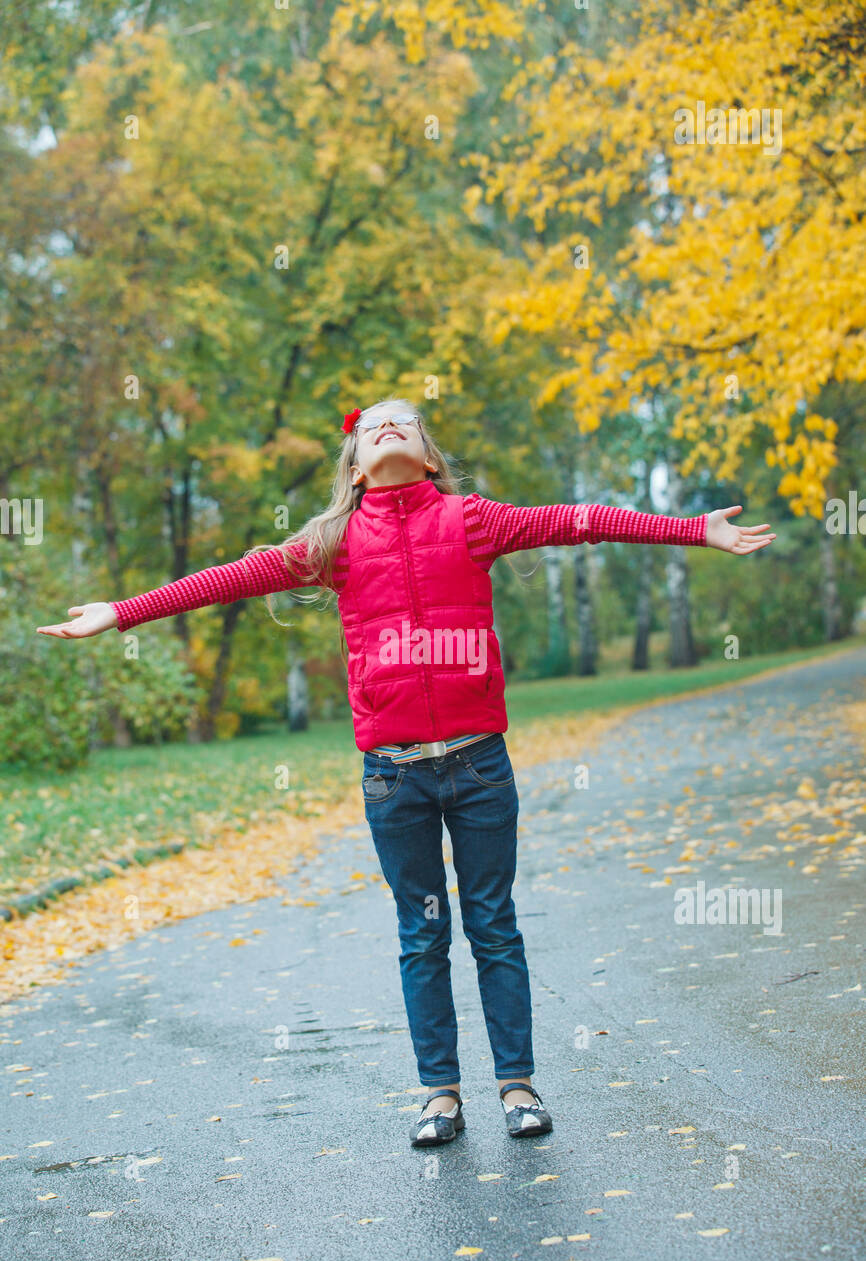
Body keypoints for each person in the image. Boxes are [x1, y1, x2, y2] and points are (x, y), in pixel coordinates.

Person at [36, 398, 776, 1147]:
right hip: (394, 779)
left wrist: (695, 530)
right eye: (372, 425)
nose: (388, 426)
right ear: (355, 465)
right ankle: (440, 1097)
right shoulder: (334, 543)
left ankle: (518, 1086)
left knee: (493, 924)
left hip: (479, 764)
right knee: (423, 936)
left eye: (405, 421)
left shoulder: (473, 520)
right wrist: (121, 613)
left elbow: (580, 519)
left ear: (427, 457)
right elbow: (228, 579)